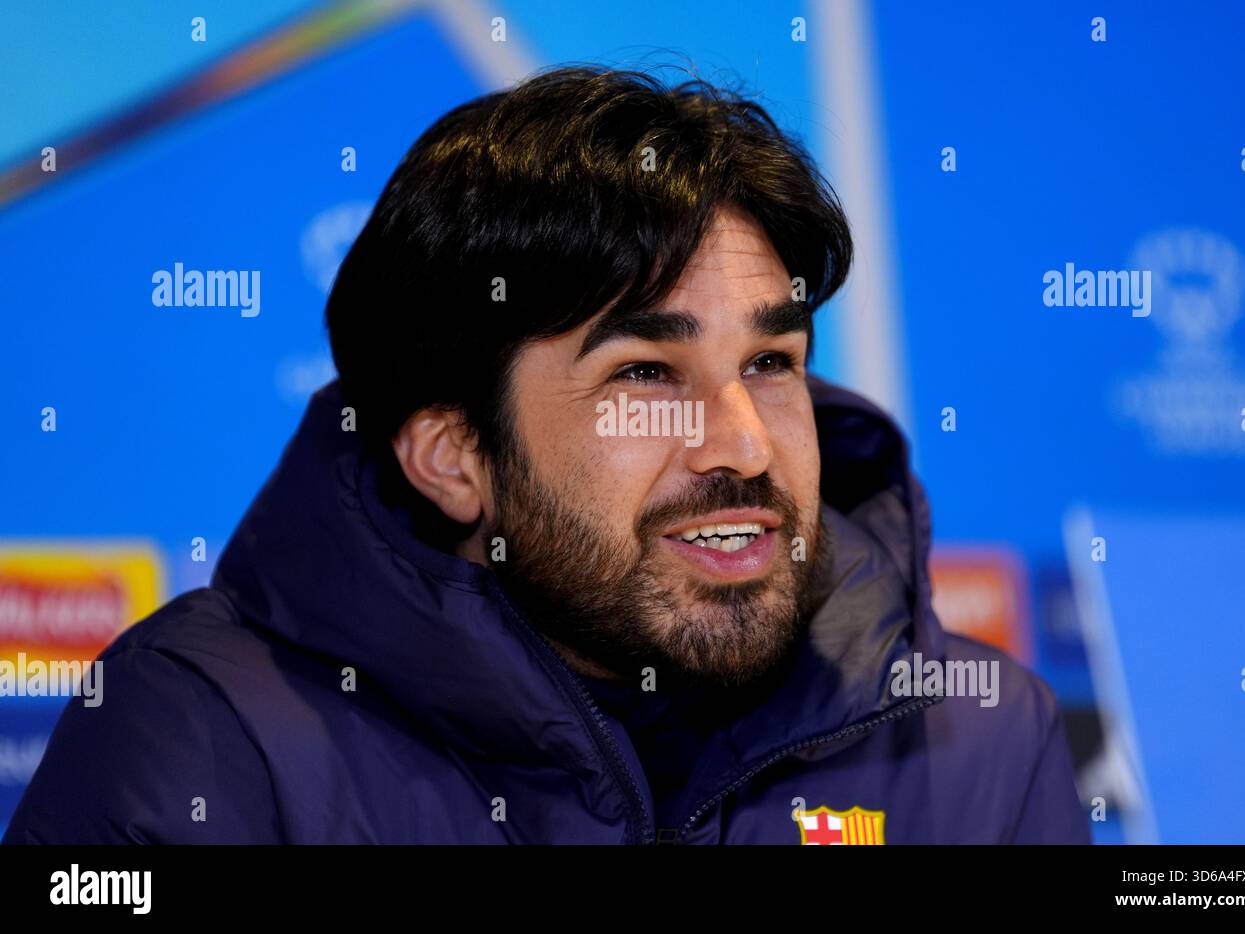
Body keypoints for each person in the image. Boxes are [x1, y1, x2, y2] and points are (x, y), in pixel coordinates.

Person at [3, 66, 1089, 844]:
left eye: (770, 361)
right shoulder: (207, 735)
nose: (744, 444)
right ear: (451, 455)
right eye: (644, 376)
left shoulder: (977, 737)